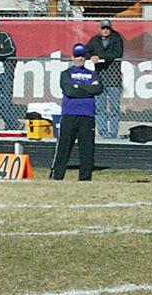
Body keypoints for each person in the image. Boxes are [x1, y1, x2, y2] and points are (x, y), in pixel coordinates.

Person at [50, 44, 103, 181]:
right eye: (77, 56)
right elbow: (69, 91)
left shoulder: (92, 74)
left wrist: (79, 86)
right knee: (64, 146)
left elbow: (98, 89)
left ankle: (85, 178)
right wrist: (87, 89)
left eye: (82, 56)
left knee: (87, 149)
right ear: (72, 57)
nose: (79, 59)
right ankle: (57, 176)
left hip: (87, 115)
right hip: (70, 114)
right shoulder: (66, 74)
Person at [86, 19, 124, 139]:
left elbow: (117, 54)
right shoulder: (95, 40)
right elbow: (86, 51)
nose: (105, 30)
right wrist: (92, 56)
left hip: (114, 78)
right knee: (100, 107)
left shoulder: (116, 39)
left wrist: (101, 57)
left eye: (107, 28)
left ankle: (113, 132)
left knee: (114, 107)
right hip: (99, 77)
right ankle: (102, 131)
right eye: (103, 28)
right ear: (100, 29)